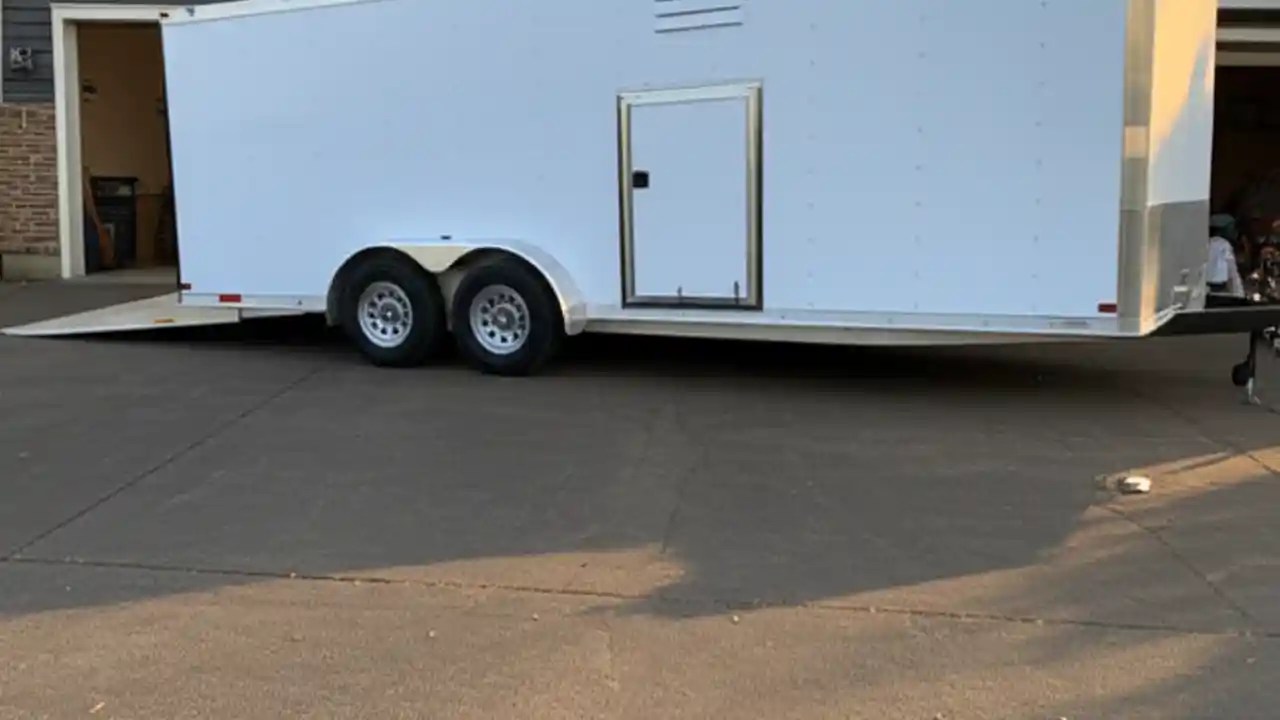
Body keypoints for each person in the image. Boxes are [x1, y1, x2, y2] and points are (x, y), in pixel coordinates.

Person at [1208, 215, 1245, 297]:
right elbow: (1231, 273)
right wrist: (1239, 294)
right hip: (1220, 294)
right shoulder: (1222, 244)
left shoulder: (1207, 243)